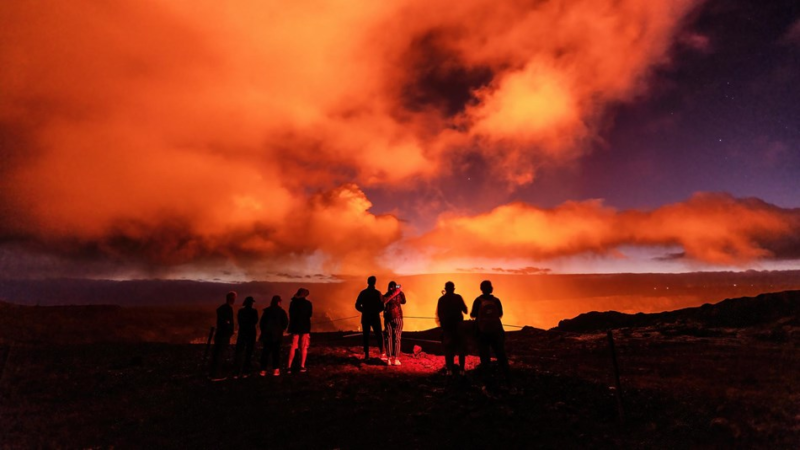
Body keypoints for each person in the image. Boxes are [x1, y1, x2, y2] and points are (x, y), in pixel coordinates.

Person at [469, 280, 509, 379]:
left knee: (485, 356)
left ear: (481, 289)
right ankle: (506, 375)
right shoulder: (496, 301)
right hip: (496, 331)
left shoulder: (478, 301)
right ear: (491, 288)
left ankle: (487, 377)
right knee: (500, 354)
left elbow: (473, 314)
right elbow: (500, 314)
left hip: (482, 332)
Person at [436, 281, 468, 375]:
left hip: (447, 328)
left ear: (445, 289)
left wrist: (442, 326)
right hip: (458, 326)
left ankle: (449, 370)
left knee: (448, 349)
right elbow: (465, 310)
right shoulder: (458, 297)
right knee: (461, 349)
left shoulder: (441, 299)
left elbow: (439, 314)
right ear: (453, 289)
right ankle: (462, 370)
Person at [355, 276, 386, 362]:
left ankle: (366, 355)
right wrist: (376, 311)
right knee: (379, 335)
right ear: (374, 282)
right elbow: (382, 306)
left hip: (366, 317)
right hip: (375, 317)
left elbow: (357, 305)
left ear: (367, 282)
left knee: (366, 336)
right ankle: (382, 352)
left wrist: (364, 311)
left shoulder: (363, 293)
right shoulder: (377, 293)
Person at [259, 295, 289, 376]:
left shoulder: (267, 311)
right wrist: (281, 330)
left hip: (267, 335)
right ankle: (275, 370)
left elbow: (262, 323)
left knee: (265, 352)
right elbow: (285, 323)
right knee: (276, 353)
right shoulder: (281, 312)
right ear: (279, 302)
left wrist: (264, 331)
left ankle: (263, 370)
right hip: (277, 336)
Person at [209, 291, 236, 380]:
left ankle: (213, 373)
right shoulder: (228, 309)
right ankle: (216, 375)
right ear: (231, 299)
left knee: (217, 353)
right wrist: (229, 330)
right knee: (220, 353)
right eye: (234, 298)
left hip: (220, 333)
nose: (234, 300)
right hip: (224, 334)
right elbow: (228, 322)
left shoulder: (221, 308)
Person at [287, 288, 312, 373]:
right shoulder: (308, 304)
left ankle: (289, 366)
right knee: (304, 347)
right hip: (305, 327)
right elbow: (310, 314)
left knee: (293, 346)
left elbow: (291, 314)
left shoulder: (293, 303)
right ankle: (302, 366)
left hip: (294, 327)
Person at [232, 296, 259, 378]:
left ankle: (236, 372)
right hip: (251, 332)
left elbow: (239, 321)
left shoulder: (241, 311)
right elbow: (255, 321)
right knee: (248, 352)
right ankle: (246, 371)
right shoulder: (254, 311)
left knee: (239, 352)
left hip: (242, 332)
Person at [382, 281, 406, 366]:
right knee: (397, 338)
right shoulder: (398, 294)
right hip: (397, 317)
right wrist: (399, 292)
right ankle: (396, 359)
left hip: (388, 318)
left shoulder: (385, 296)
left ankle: (389, 359)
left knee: (388, 337)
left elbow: (383, 303)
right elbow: (404, 301)